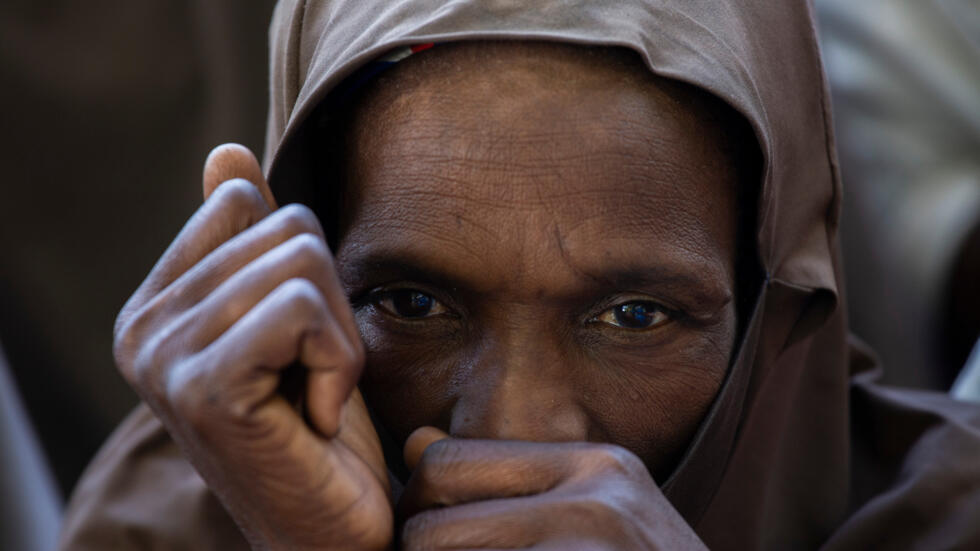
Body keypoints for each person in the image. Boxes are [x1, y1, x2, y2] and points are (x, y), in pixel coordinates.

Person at [58, 0, 980, 549]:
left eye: (635, 317)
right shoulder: (167, 521)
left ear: (774, 318)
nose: (510, 432)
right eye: (412, 305)